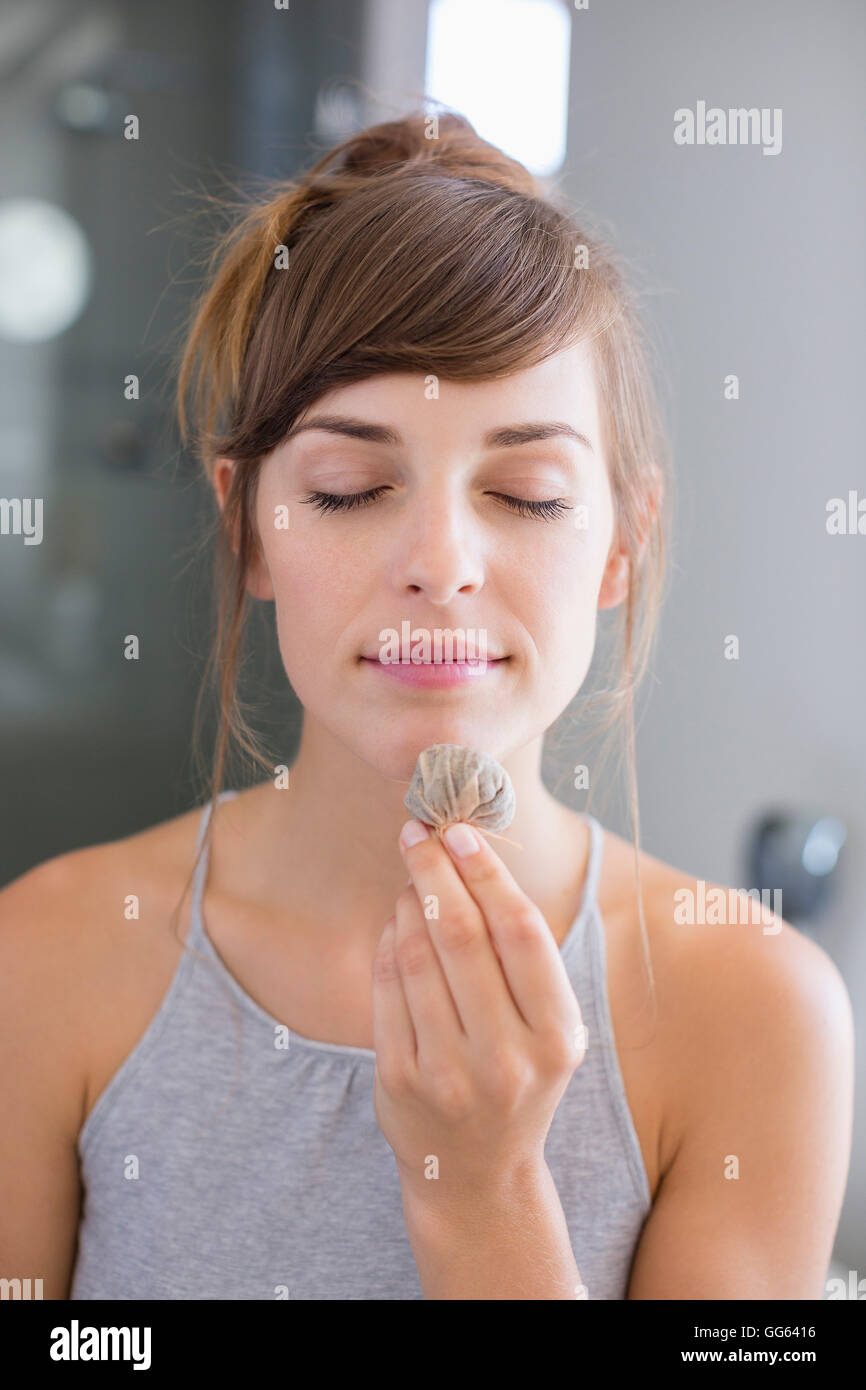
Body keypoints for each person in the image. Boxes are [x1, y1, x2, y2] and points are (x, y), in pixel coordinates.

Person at [0, 111, 853, 1300]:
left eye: (524, 491)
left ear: (622, 544)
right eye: (351, 488)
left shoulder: (755, 1016)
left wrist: (485, 1196)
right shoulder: (43, 961)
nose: (440, 559)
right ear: (249, 523)